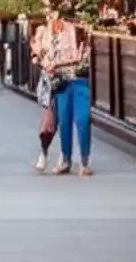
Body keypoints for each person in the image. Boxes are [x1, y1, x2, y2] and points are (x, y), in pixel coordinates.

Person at [39, 9, 92, 176]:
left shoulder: (75, 31)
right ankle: (66, 159)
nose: (52, 20)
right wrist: (46, 64)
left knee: (82, 119)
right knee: (64, 121)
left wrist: (58, 64)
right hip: (60, 82)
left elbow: (81, 57)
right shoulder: (48, 34)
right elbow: (43, 54)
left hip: (79, 80)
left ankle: (84, 161)